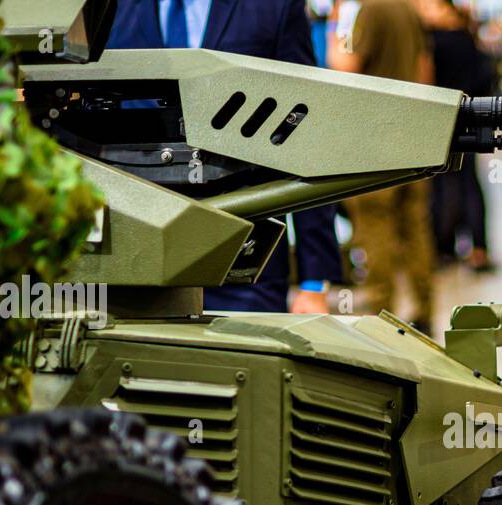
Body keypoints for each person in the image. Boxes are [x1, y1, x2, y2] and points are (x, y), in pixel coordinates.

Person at [108, 0, 342, 315]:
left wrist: (314, 283)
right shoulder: (111, 10)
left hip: (245, 262)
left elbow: (305, 129)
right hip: (139, 264)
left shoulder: (275, 7)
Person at [327, 0, 437, 330]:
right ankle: (425, 310)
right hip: (411, 134)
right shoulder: (407, 10)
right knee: (414, 227)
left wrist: (334, 29)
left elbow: (345, 64)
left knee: (375, 227)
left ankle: (382, 316)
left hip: (374, 140)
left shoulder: (369, 10)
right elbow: (424, 69)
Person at [421, 0, 494, 271]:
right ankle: (478, 247)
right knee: (469, 184)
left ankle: (444, 247)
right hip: (470, 120)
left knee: (444, 186)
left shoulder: (436, 42)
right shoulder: (469, 39)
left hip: (442, 123)